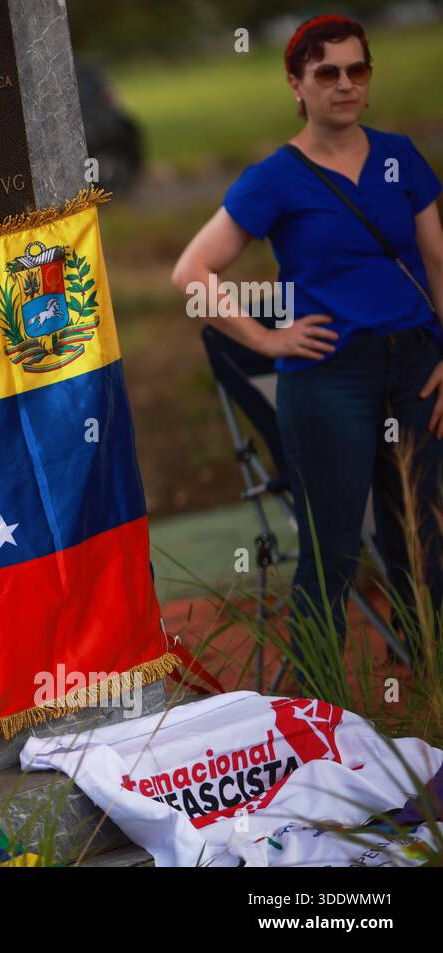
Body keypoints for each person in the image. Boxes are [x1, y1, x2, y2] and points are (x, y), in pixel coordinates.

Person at [171, 15, 443, 680]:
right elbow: (191, 274)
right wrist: (266, 337)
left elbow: (437, 259)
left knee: (423, 539)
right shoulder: (275, 178)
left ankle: (425, 684)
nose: (344, 84)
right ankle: (314, 706)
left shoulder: (399, 157)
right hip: (329, 379)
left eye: (357, 70)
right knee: (335, 551)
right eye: (327, 73)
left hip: (415, 367)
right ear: (297, 85)